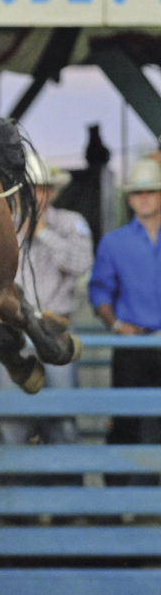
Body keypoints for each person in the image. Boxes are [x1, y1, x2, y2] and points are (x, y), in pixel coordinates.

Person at [2, 154, 93, 444]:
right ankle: (15, 485)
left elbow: (82, 263)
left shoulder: (71, 222)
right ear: (18, 192)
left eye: (41, 188)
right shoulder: (2, 226)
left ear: (51, 191)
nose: (35, 195)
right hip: (13, 333)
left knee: (63, 419)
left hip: (56, 329)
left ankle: (66, 484)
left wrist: (42, 233)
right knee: (12, 420)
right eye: (28, 188)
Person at [88, 156, 161, 445]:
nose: (143, 198)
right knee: (126, 423)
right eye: (137, 192)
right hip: (132, 345)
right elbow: (99, 291)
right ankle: (118, 486)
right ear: (129, 199)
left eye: (151, 191)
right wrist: (116, 324)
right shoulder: (113, 243)